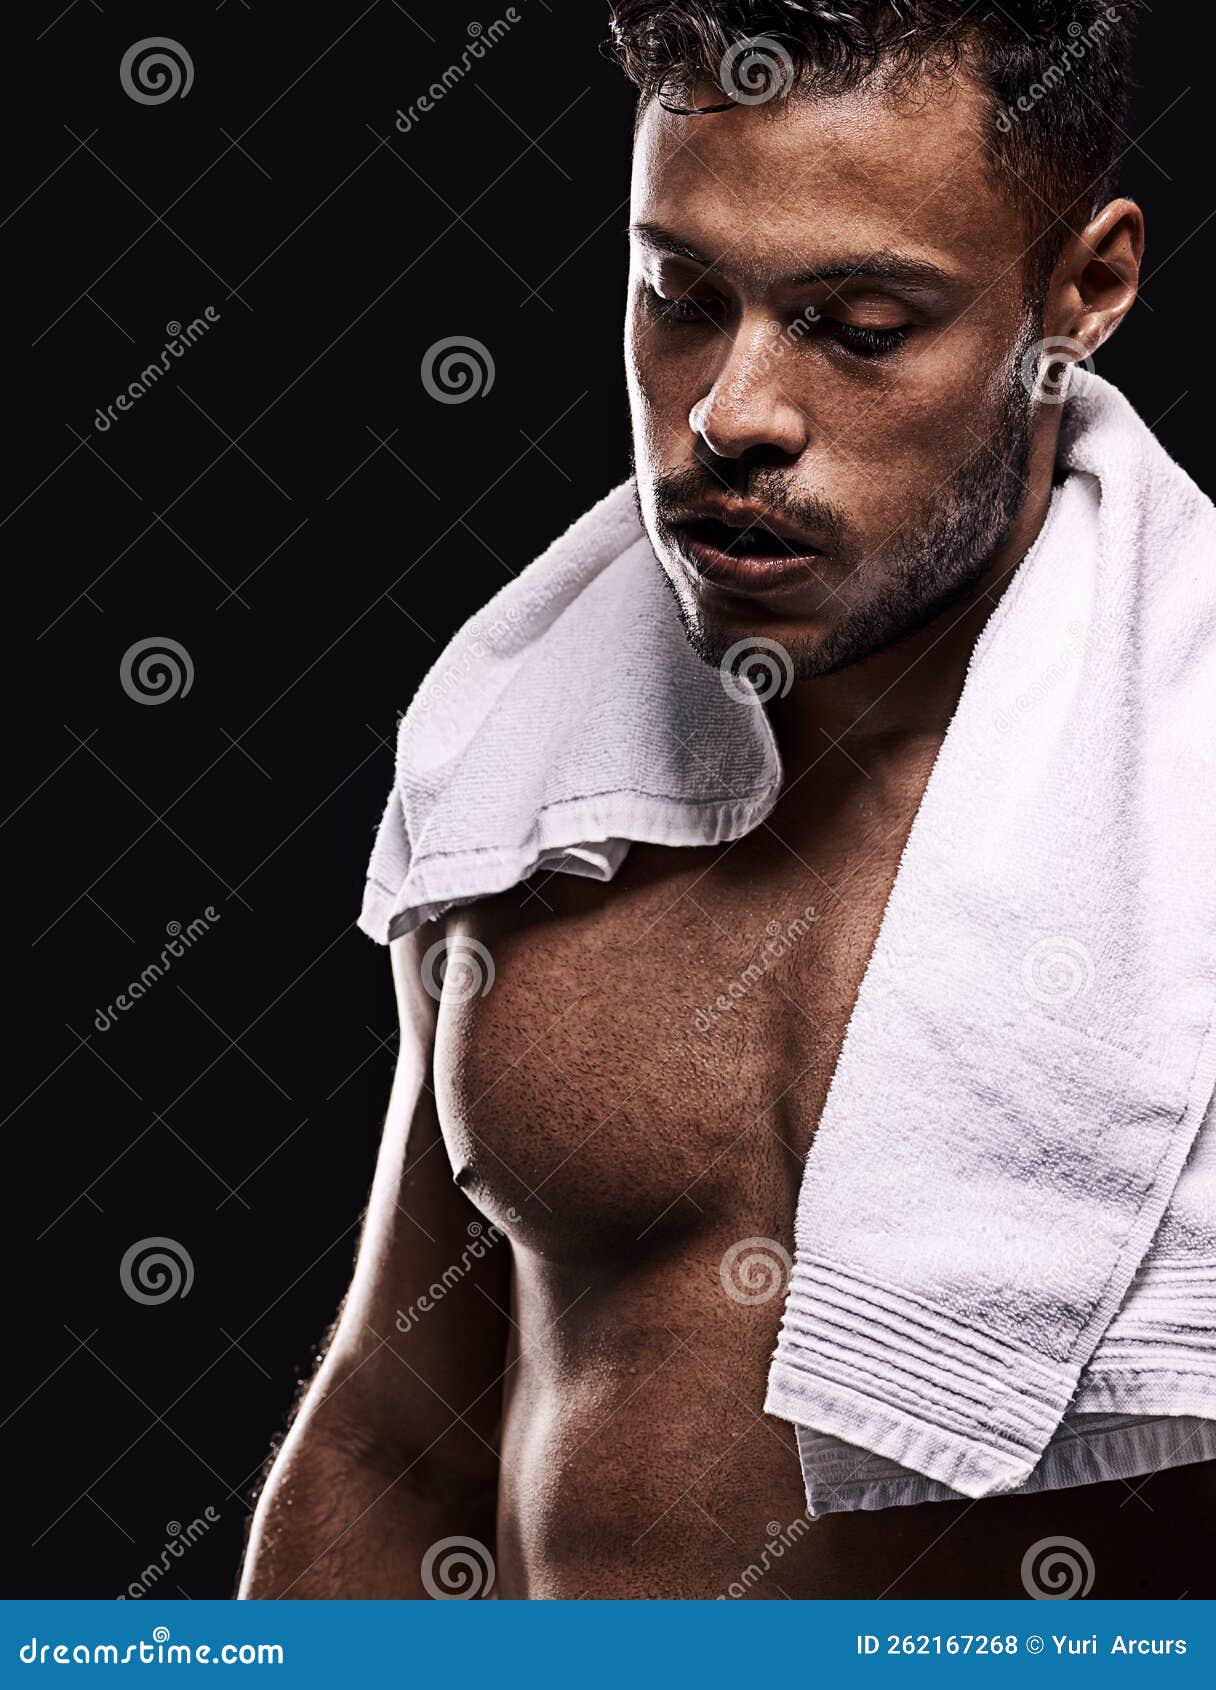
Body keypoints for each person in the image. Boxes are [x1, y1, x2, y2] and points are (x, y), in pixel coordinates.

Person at [240, 1, 1216, 1599]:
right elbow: (399, 1440)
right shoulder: (534, 768)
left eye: (861, 325)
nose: (732, 414)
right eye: (683, 300)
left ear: (1084, 290)